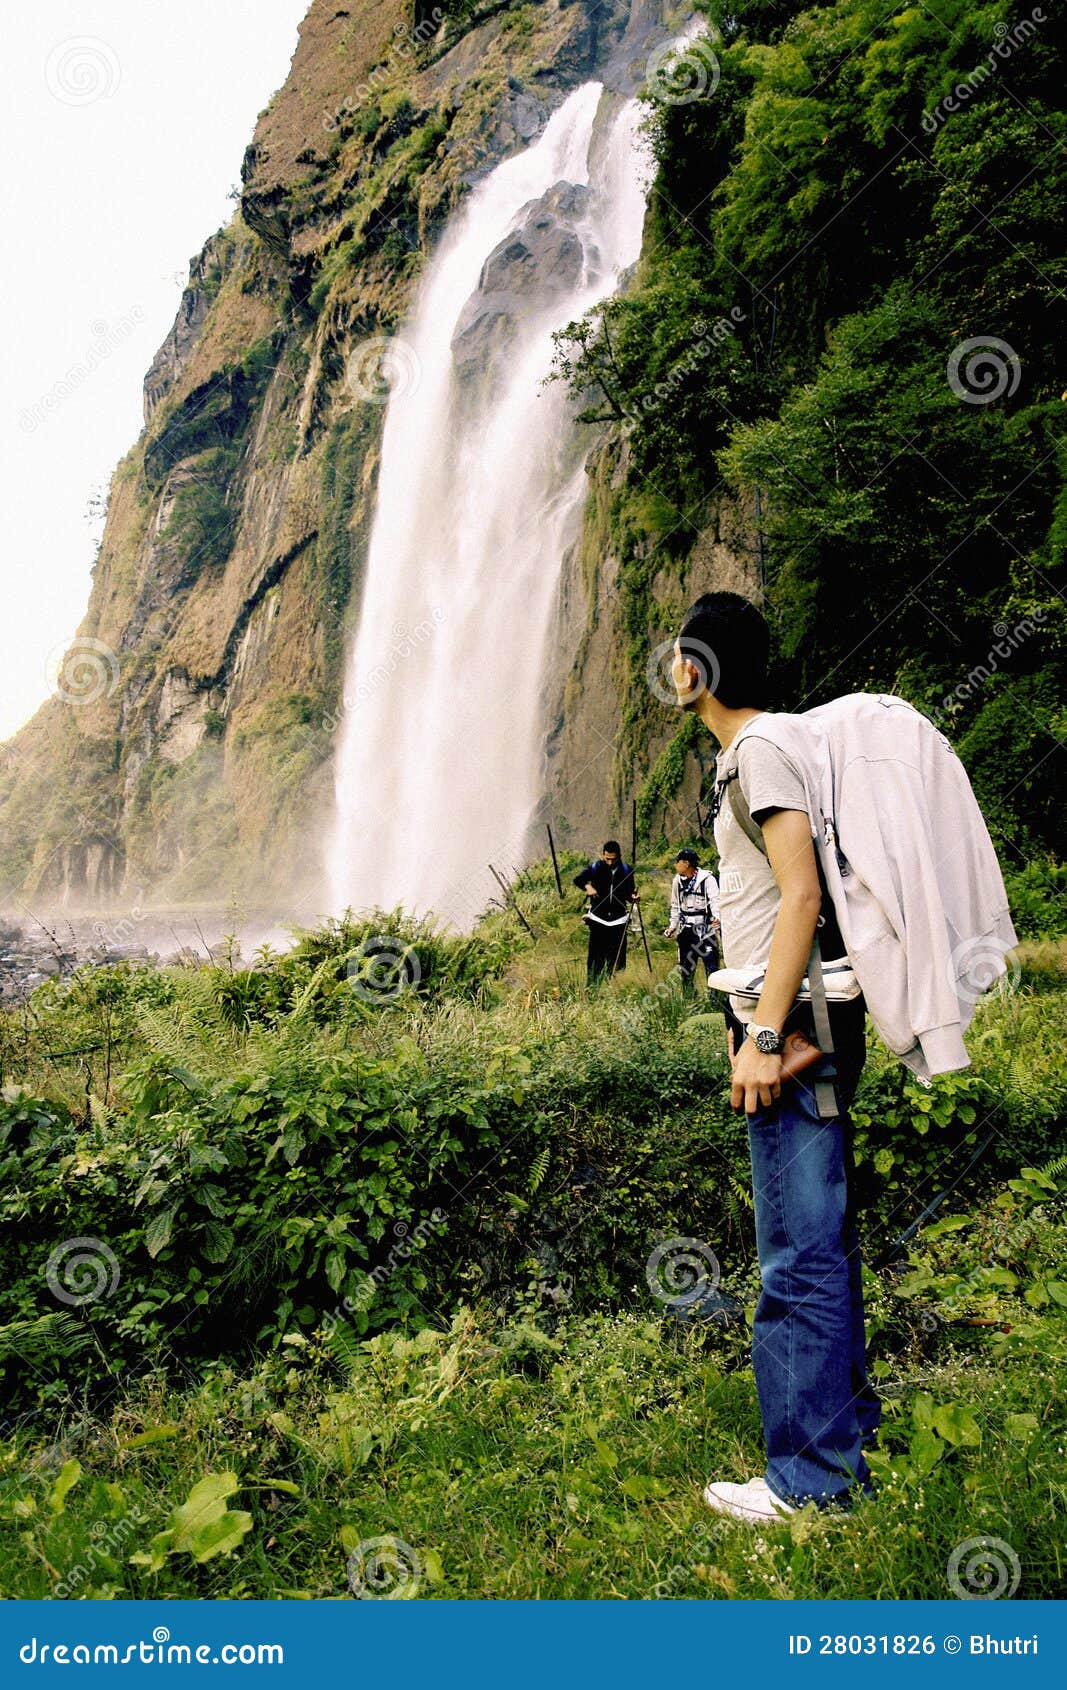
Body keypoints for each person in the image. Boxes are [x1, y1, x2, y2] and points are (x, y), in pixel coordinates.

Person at [671, 591, 879, 1524]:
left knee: (794, 1253)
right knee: (817, 1237)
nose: (670, 670)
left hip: (794, 1031)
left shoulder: (757, 750)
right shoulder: (761, 750)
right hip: (791, 1020)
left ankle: (811, 1479)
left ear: (700, 670)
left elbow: (799, 899)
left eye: (679, 654)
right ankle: (847, 1437)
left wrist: (760, 1034)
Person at [573, 840, 639, 984]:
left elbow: (629, 893)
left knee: (617, 959)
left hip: (619, 921)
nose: (610, 862)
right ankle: (592, 988)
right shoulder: (596, 867)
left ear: (619, 856)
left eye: (613, 859)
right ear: (603, 855)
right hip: (598, 920)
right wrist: (587, 887)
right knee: (596, 958)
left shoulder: (627, 870)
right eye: (607, 858)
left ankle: (616, 987)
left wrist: (633, 897)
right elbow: (578, 879)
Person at [664, 848, 720, 991]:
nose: (676, 865)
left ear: (686, 863)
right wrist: (672, 926)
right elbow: (675, 905)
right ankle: (689, 998)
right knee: (686, 968)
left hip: (705, 929)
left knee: (712, 967)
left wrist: (717, 918)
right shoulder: (677, 881)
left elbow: (715, 900)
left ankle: (715, 999)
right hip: (686, 930)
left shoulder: (707, 879)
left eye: (678, 862)